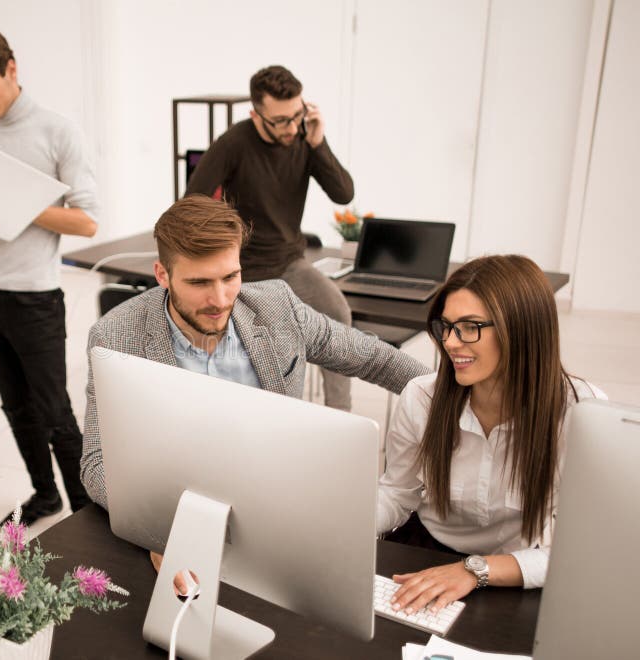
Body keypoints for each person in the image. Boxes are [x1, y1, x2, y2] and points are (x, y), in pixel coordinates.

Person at [81, 194, 430, 510]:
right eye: (199, 282)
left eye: (230, 277)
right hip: (178, 502)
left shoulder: (278, 306)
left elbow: (374, 357)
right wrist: (162, 524)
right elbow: (97, 462)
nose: (220, 300)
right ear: (162, 275)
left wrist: (452, 398)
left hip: (277, 496)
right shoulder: (114, 337)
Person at [377, 254, 606, 615]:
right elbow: (397, 494)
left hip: (521, 568)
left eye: (469, 327)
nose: (450, 343)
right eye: (446, 327)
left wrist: (473, 570)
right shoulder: (422, 397)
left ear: (521, 330)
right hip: (426, 551)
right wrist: (342, 521)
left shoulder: (582, 413)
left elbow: (577, 549)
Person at [0, 29, 97, 525]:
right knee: (16, 407)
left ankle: (89, 518)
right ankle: (45, 495)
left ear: (11, 68)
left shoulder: (58, 132)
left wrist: (24, 206)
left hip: (34, 295)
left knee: (55, 413)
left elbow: (87, 221)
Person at [185, 65, 355, 411]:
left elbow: (343, 193)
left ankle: (340, 419)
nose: (291, 127)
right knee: (261, 350)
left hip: (289, 263)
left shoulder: (306, 139)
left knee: (338, 313)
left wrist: (319, 143)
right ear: (256, 113)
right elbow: (191, 203)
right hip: (242, 269)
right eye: (281, 121)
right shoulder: (233, 143)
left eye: (298, 115)